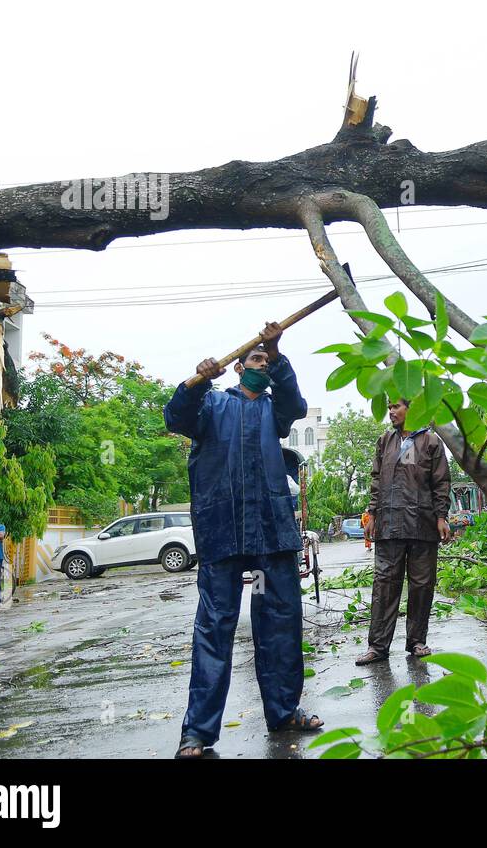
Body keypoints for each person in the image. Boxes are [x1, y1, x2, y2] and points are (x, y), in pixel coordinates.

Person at [163, 323, 323, 759]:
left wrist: (276, 350)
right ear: (237, 366)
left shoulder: (275, 411)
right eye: (255, 359)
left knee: (278, 621)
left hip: (270, 537)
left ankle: (284, 710)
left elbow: (296, 403)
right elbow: (175, 416)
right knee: (215, 627)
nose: (262, 366)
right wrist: (197, 382)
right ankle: (197, 732)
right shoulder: (211, 405)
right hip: (223, 535)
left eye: (266, 363)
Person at [356, 398, 451, 665]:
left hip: (423, 524)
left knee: (422, 585)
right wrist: (372, 513)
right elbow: (376, 479)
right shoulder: (384, 441)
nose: (390, 412)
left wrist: (441, 516)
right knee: (384, 584)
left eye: (396, 407)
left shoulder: (431, 442)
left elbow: (441, 482)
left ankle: (417, 641)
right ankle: (377, 647)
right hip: (389, 524)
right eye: (388, 407)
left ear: (411, 409)